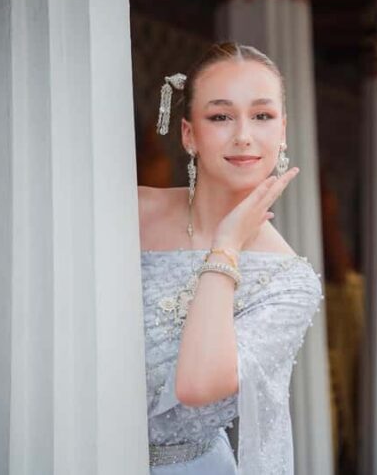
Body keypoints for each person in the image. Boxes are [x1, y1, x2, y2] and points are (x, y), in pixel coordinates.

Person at [138, 41, 324, 474]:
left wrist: (225, 246)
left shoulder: (289, 282)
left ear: (283, 131)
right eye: (220, 116)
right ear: (189, 134)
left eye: (262, 116)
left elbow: (198, 384)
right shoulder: (129, 213)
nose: (243, 135)